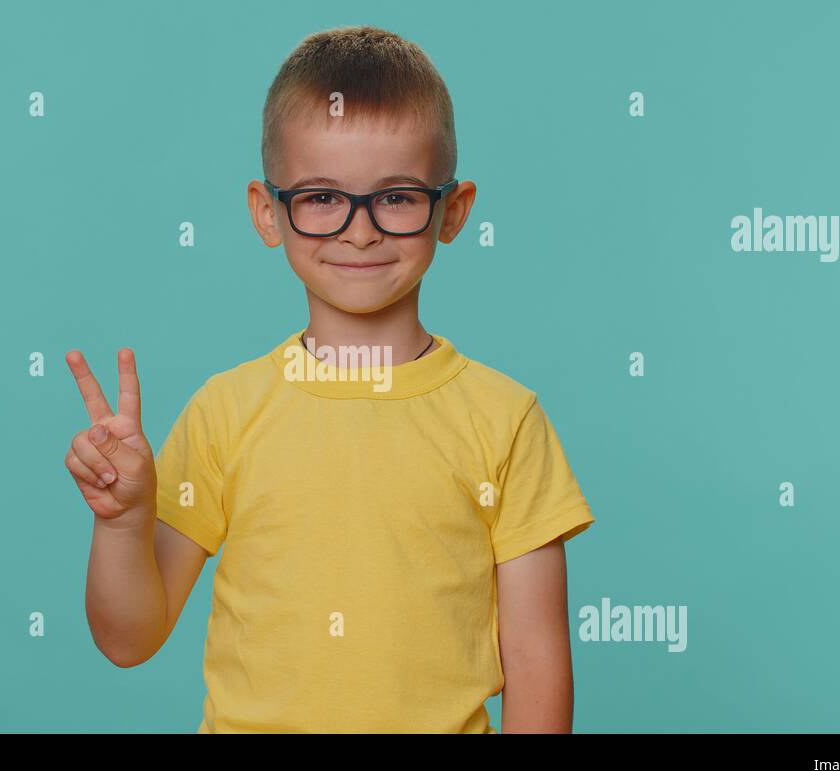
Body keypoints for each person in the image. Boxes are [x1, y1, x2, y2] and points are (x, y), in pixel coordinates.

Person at [63, 25, 594, 733]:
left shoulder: (506, 420)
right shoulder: (226, 412)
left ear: (453, 211)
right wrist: (124, 526)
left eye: (398, 197)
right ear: (267, 212)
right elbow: (128, 638)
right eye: (320, 198)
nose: (360, 231)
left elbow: (536, 666)